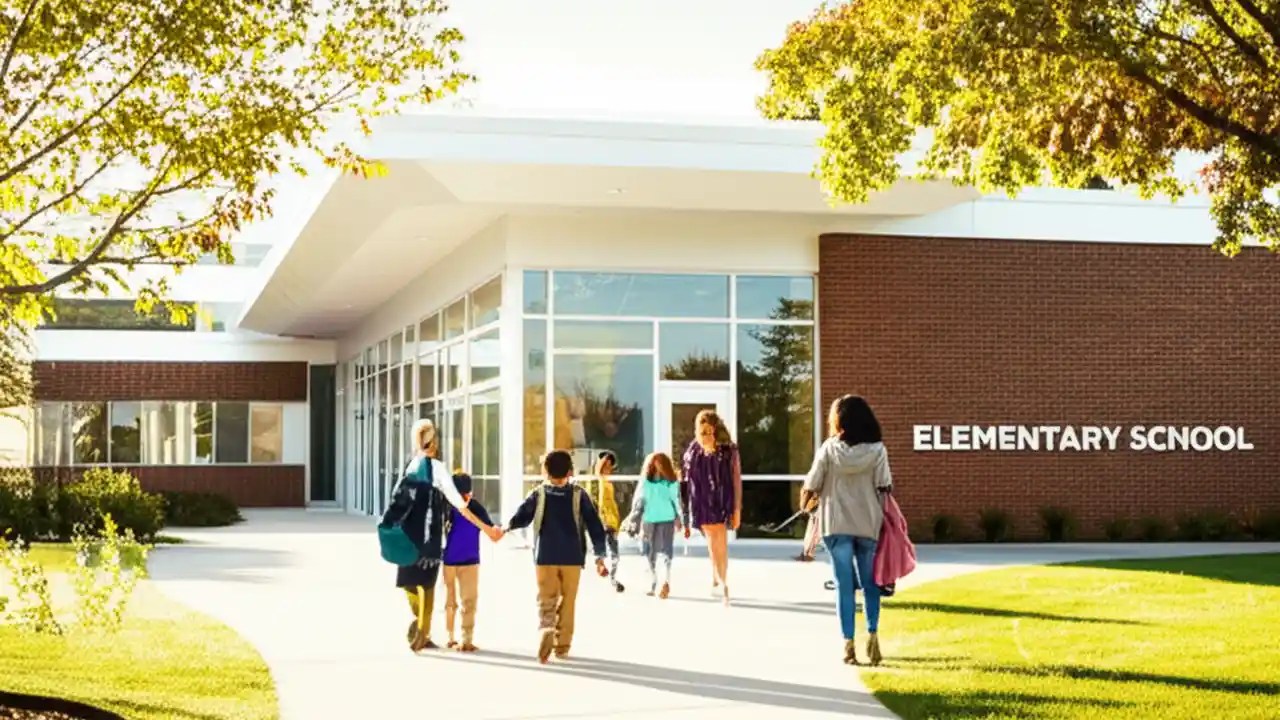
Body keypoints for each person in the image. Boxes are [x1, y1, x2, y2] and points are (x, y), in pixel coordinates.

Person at [390, 419, 501, 653]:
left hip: (409, 535)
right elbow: (461, 506)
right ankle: (422, 627)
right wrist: (489, 529)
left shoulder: (410, 466)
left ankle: (422, 627)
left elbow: (396, 499)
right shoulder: (437, 468)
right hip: (429, 537)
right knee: (425, 586)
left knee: (410, 582)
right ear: (435, 442)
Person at [800, 395, 893, 666]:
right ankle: (873, 638)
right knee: (870, 583)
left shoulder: (829, 449)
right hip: (868, 524)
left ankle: (848, 644)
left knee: (843, 586)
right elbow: (884, 485)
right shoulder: (877, 450)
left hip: (835, 524)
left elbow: (812, 482)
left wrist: (807, 502)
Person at [503, 450, 609, 663]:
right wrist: (599, 555)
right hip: (573, 557)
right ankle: (562, 646)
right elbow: (594, 525)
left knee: (546, 598)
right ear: (570, 472)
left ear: (545, 471)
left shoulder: (539, 494)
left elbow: (523, 516)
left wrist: (506, 527)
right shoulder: (580, 495)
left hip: (545, 555)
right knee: (568, 602)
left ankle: (546, 627)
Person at [680, 409, 741, 606]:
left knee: (720, 541)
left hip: (722, 502)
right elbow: (686, 481)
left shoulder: (728, 451)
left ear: (715, 430)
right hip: (701, 503)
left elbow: (736, 480)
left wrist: (736, 509)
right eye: (700, 431)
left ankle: (724, 581)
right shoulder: (692, 452)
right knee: (711, 541)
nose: (704, 436)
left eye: (708, 431)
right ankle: (714, 573)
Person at [441, 472, 494, 652]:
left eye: (467, 494)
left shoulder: (473, 507)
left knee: (468, 601)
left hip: (467, 560)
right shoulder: (447, 507)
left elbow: (490, 527)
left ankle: (466, 639)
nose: (466, 497)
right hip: (452, 560)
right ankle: (451, 637)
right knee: (451, 602)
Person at [621, 451, 683, 599]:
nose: (658, 466)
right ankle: (653, 581)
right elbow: (638, 501)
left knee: (666, 552)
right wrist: (632, 518)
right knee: (649, 551)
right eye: (655, 463)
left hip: (667, 518)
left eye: (661, 463)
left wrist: (678, 518)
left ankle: (665, 582)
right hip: (649, 519)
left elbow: (675, 500)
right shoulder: (645, 481)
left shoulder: (671, 482)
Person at [577, 450, 625, 592]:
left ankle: (613, 578)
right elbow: (592, 501)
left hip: (611, 522)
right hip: (599, 520)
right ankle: (601, 565)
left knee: (614, 552)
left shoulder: (612, 483)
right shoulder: (593, 482)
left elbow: (615, 504)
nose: (607, 468)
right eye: (605, 464)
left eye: (610, 465)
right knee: (600, 546)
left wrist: (617, 521)